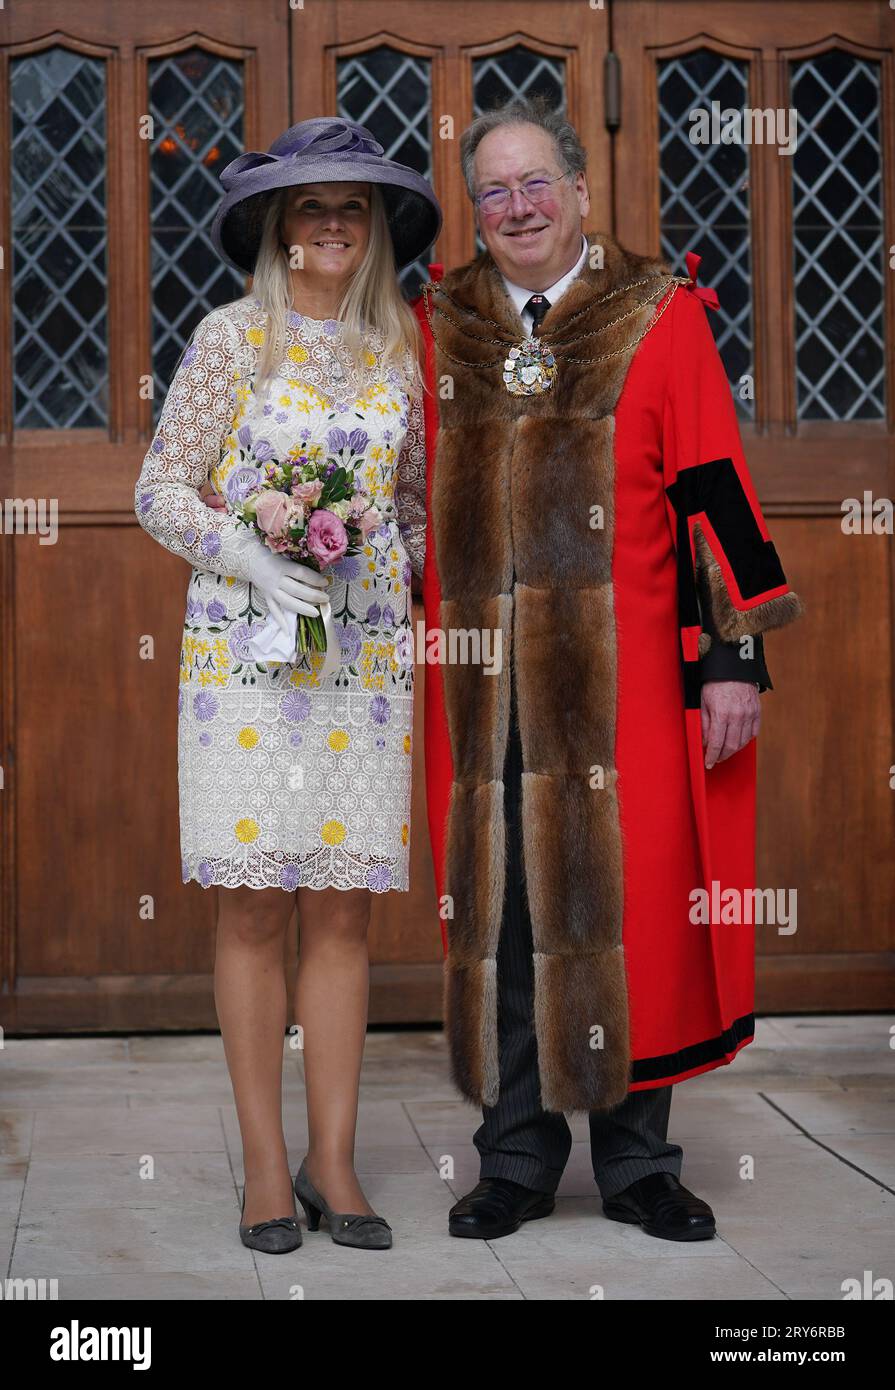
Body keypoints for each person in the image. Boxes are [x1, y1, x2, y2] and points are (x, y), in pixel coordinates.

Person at [406, 95, 802, 1242]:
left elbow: (715, 487)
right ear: (474, 214)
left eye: (537, 182)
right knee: (506, 917)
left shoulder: (657, 315)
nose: (519, 206)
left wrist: (731, 656)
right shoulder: (445, 323)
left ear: (581, 190)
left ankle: (637, 1166)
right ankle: (514, 1159)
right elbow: (400, 487)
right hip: (483, 686)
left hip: (620, 683)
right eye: (494, 191)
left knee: (624, 910)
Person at [134, 117, 441, 1253]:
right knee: (257, 896)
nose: (329, 225)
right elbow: (159, 489)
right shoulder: (231, 338)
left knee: (345, 908)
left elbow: (411, 504)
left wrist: (370, 547)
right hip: (242, 660)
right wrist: (250, 547)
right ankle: (265, 1165)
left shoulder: (398, 348)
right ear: (276, 226)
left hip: (359, 658)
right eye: (309, 208)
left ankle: (335, 1160)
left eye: (350, 208)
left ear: (374, 230)